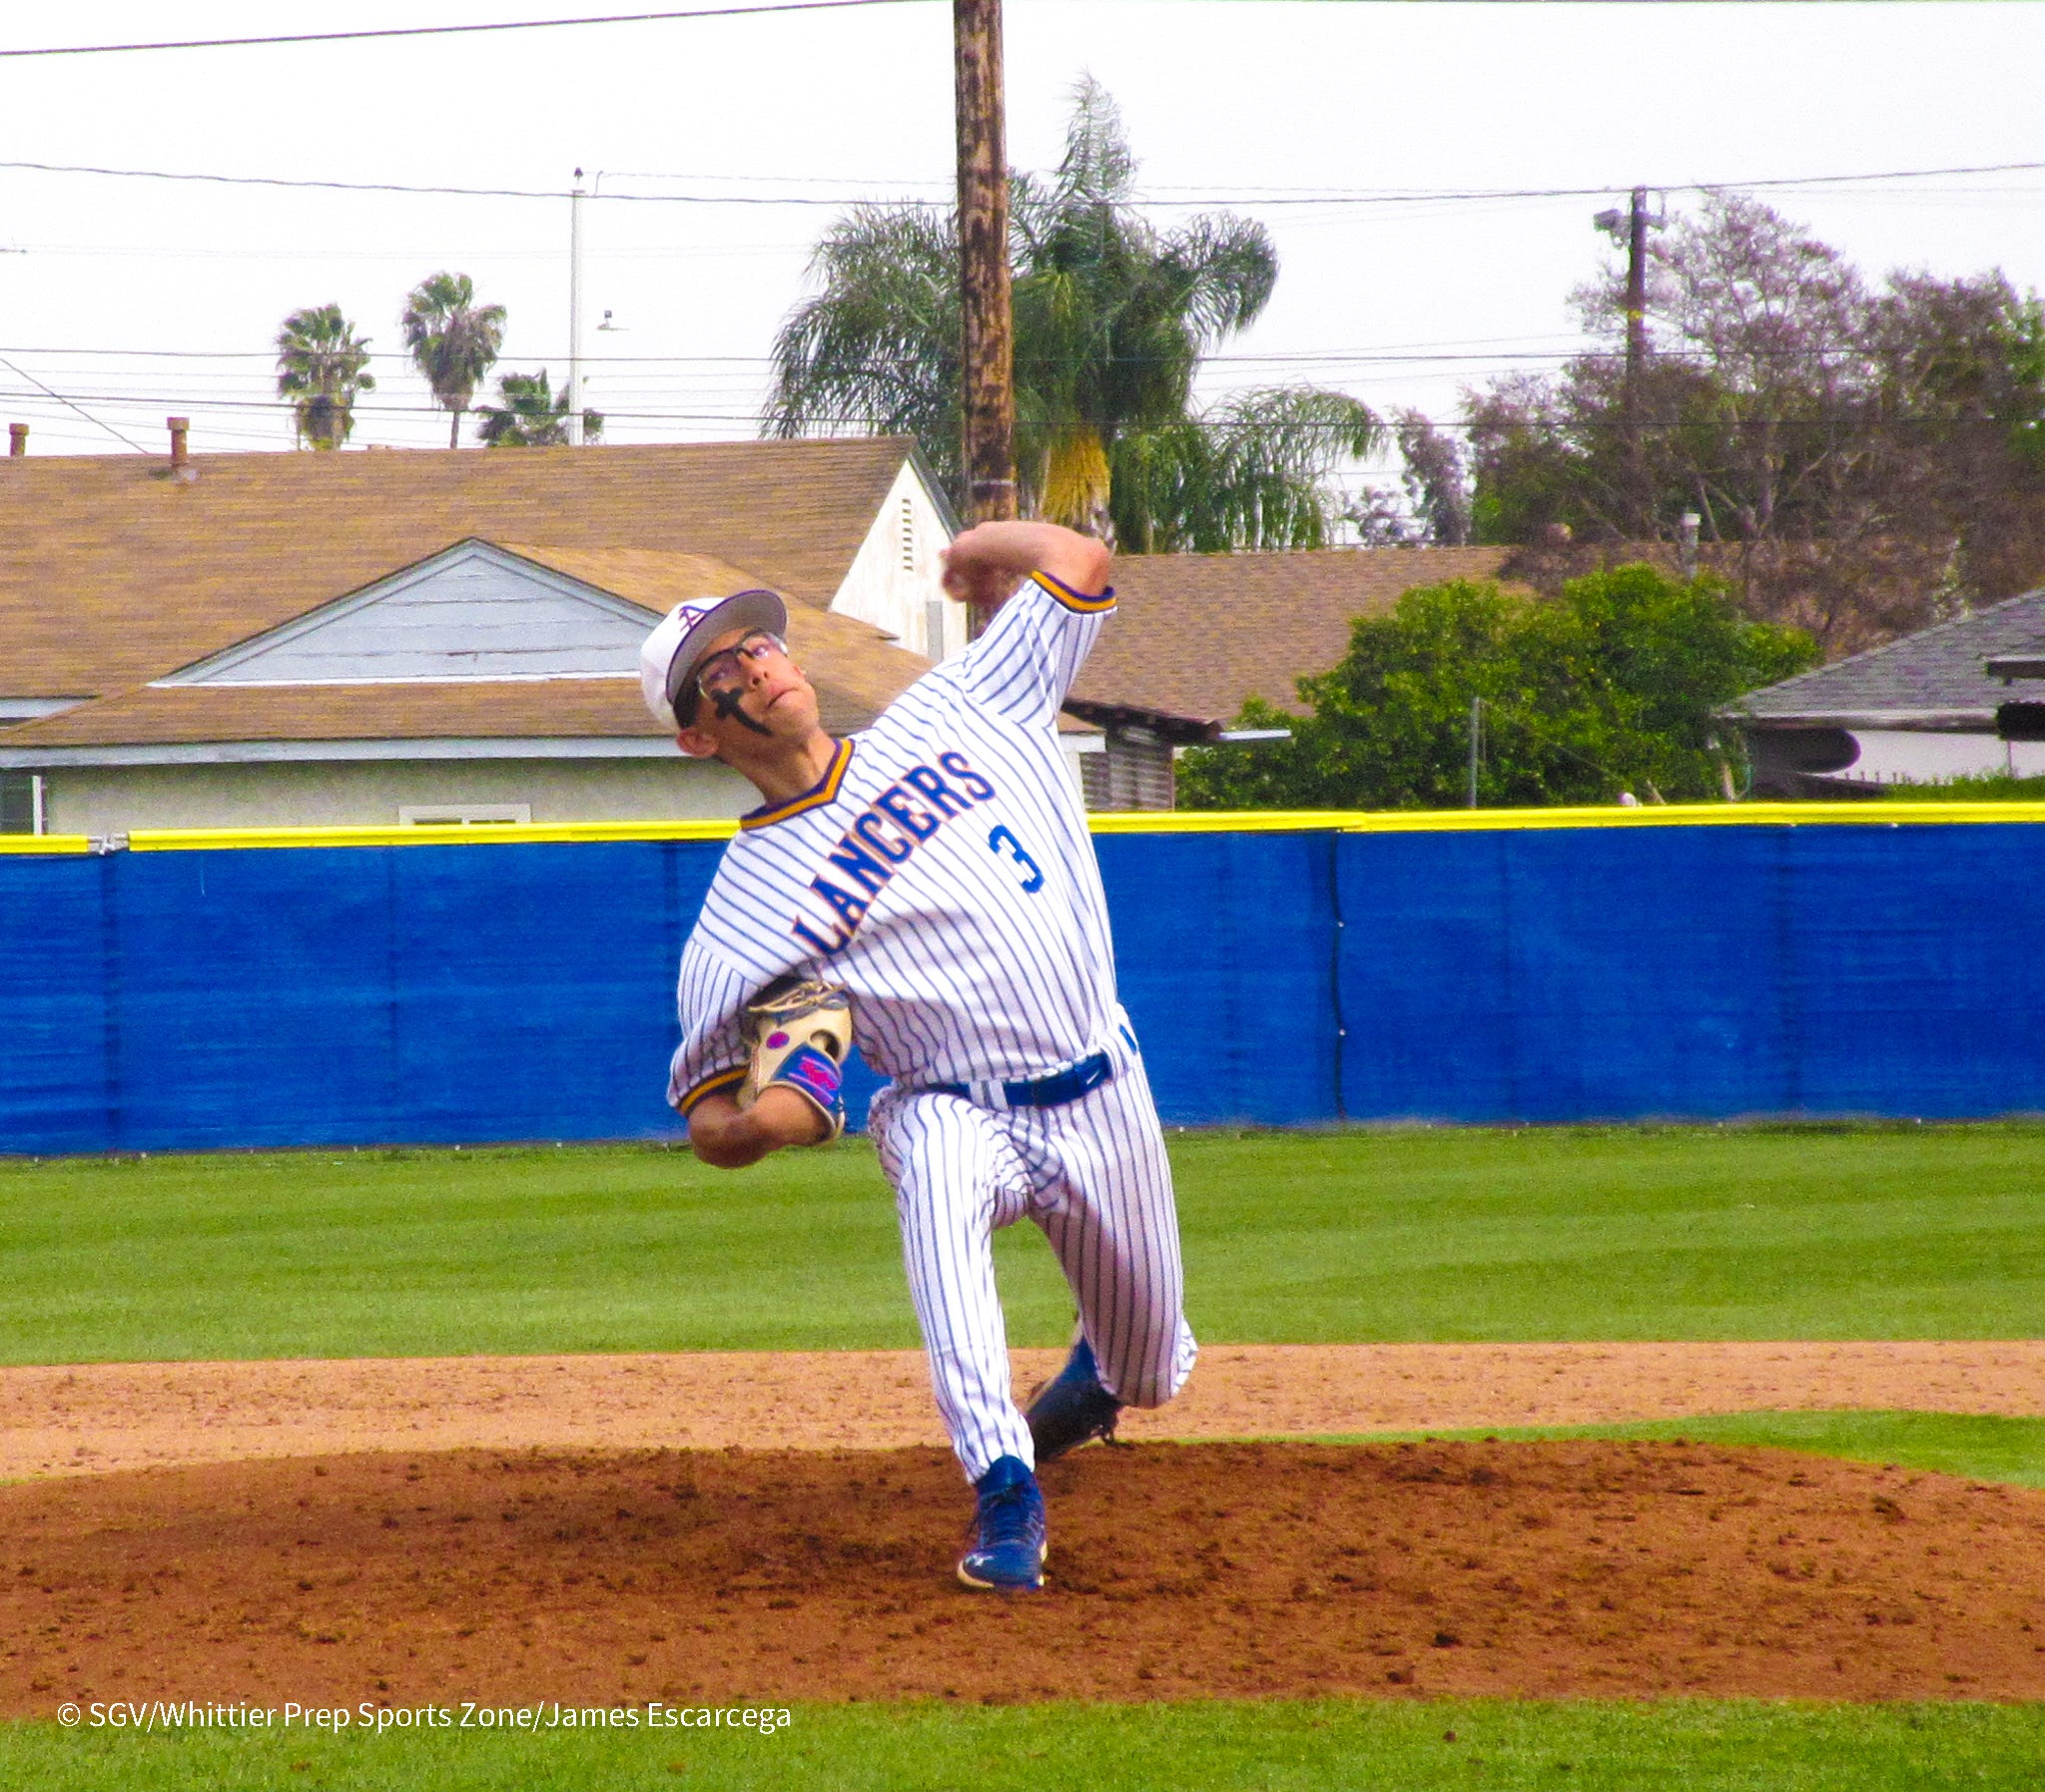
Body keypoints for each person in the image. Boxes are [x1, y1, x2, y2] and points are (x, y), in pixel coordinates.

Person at [637, 519, 1196, 1591]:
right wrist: (757, 1123)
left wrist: (982, 541)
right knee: (933, 1173)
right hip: (952, 1104)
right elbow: (706, 1112)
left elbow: (1080, 561)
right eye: (719, 672)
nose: (753, 666)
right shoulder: (741, 917)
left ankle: (1091, 1384)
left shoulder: (957, 705)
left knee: (1150, 1368)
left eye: (757, 644)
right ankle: (1003, 1489)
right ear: (699, 738)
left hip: (1101, 1088)